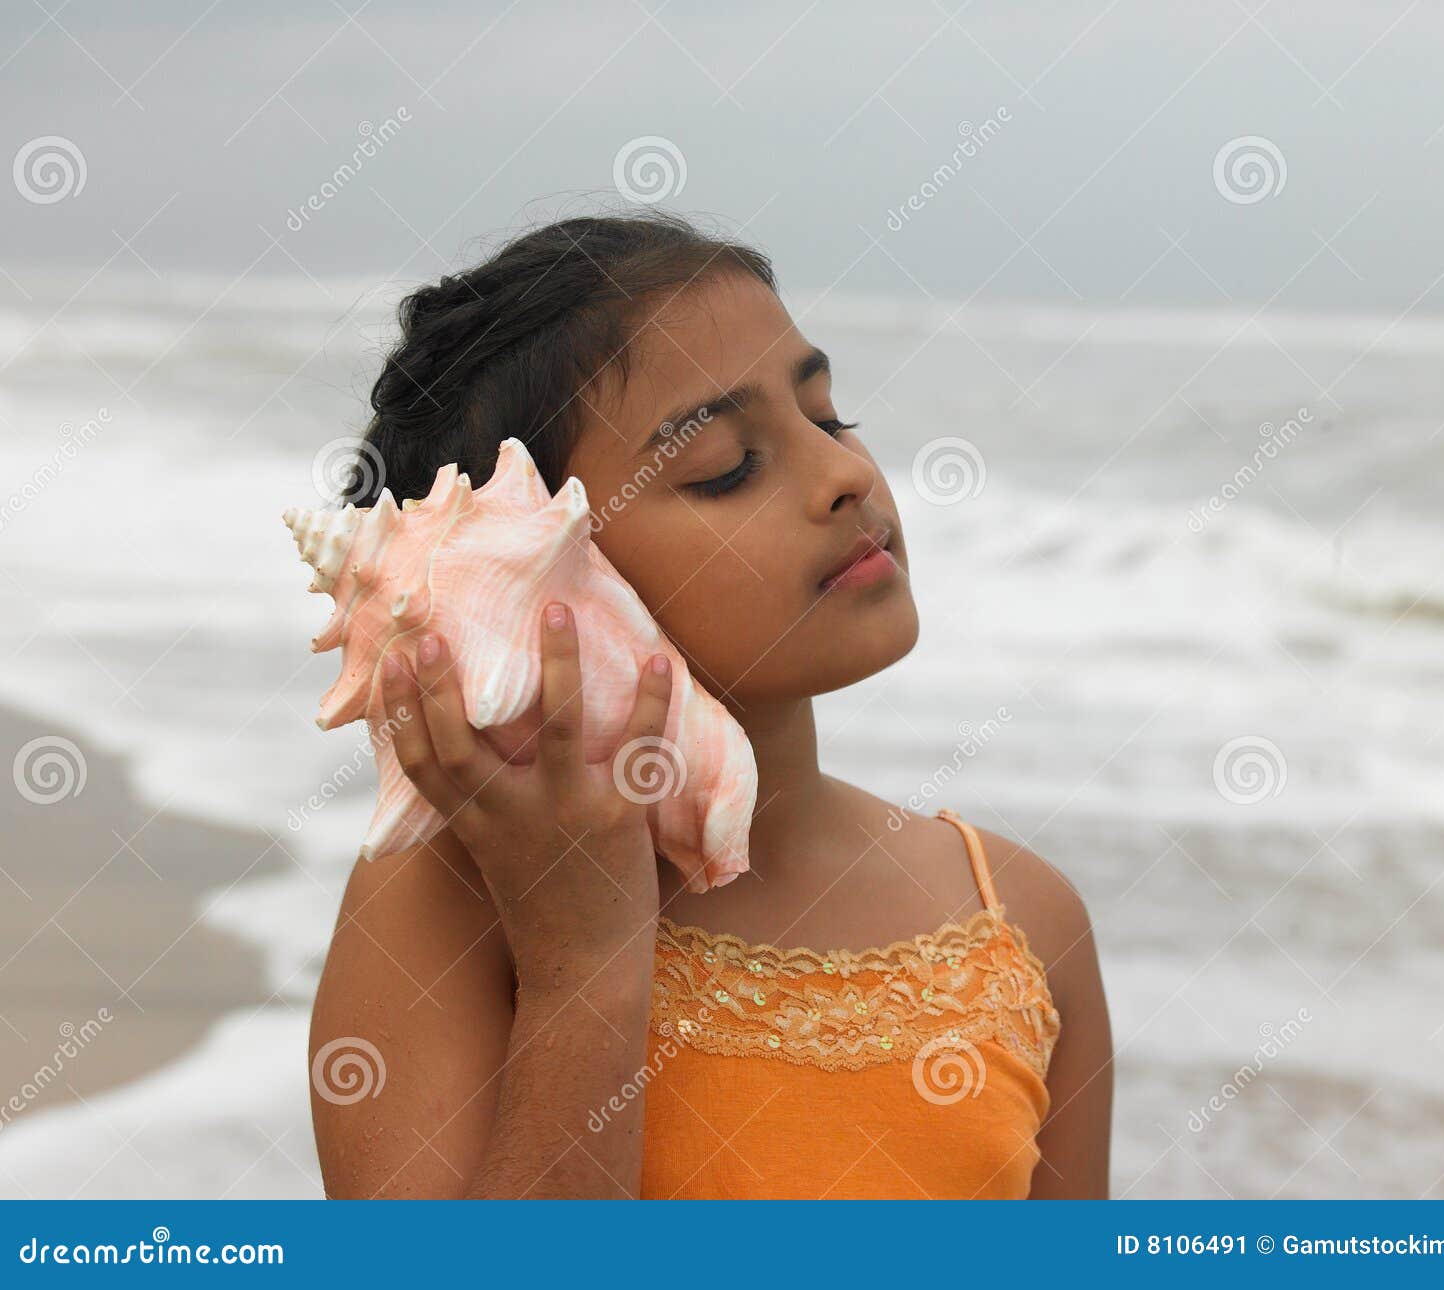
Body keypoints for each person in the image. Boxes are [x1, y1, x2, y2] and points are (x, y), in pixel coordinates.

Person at [308, 211, 1112, 1198]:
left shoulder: (1021, 918)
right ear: (540, 577)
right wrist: (585, 968)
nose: (845, 475)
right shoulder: (449, 912)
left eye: (826, 417)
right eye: (725, 467)